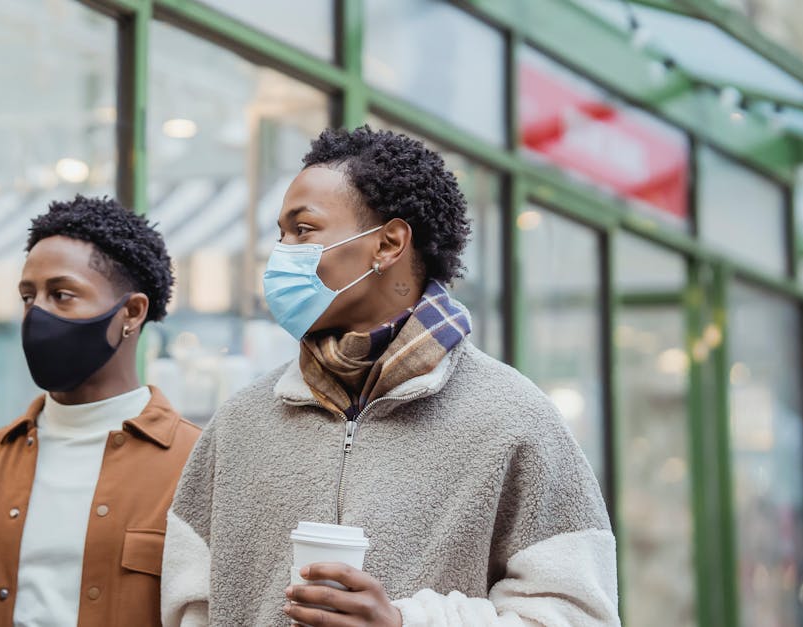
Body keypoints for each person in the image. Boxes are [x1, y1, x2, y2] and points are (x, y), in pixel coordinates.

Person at [161, 127, 620, 626]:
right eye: (281, 234)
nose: (280, 253)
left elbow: (579, 615)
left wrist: (406, 624)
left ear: (388, 244)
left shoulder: (513, 418)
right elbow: (190, 608)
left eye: (303, 230)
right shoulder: (240, 423)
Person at [0, 196, 200, 626]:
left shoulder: (196, 464)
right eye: (28, 297)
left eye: (61, 295)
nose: (37, 314)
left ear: (132, 312)